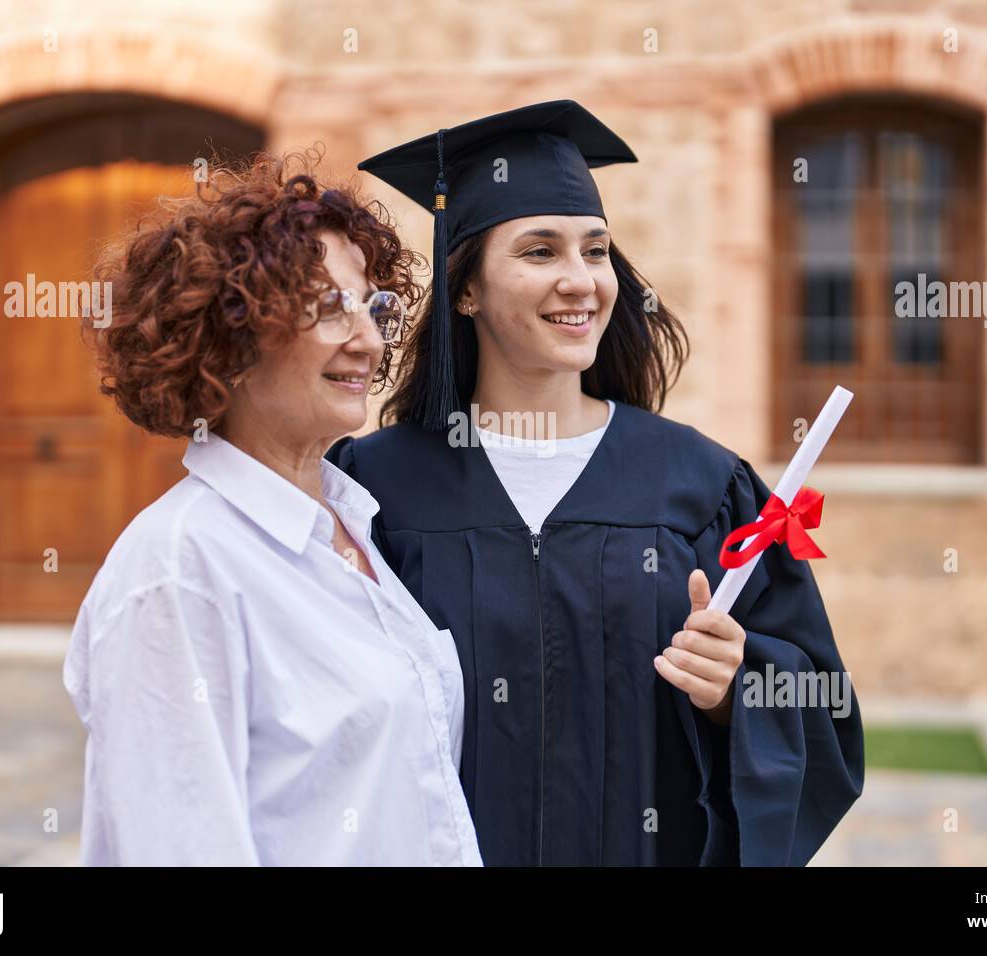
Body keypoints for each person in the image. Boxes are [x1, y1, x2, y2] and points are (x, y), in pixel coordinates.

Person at [328, 101, 864, 866]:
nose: (581, 282)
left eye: (596, 251)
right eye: (540, 252)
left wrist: (735, 689)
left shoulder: (702, 486)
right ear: (467, 288)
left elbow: (822, 708)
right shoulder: (373, 489)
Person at [63, 152, 481, 866]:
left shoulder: (349, 523)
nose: (370, 341)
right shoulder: (180, 569)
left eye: (373, 307)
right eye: (328, 309)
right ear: (230, 336)